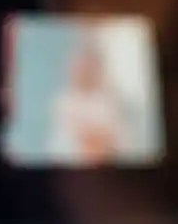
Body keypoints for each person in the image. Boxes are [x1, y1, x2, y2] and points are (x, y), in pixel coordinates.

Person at [49, 34, 128, 166]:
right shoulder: (64, 101)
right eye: (75, 66)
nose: (79, 70)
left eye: (86, 66)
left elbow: (116, 140)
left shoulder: (109, 101)